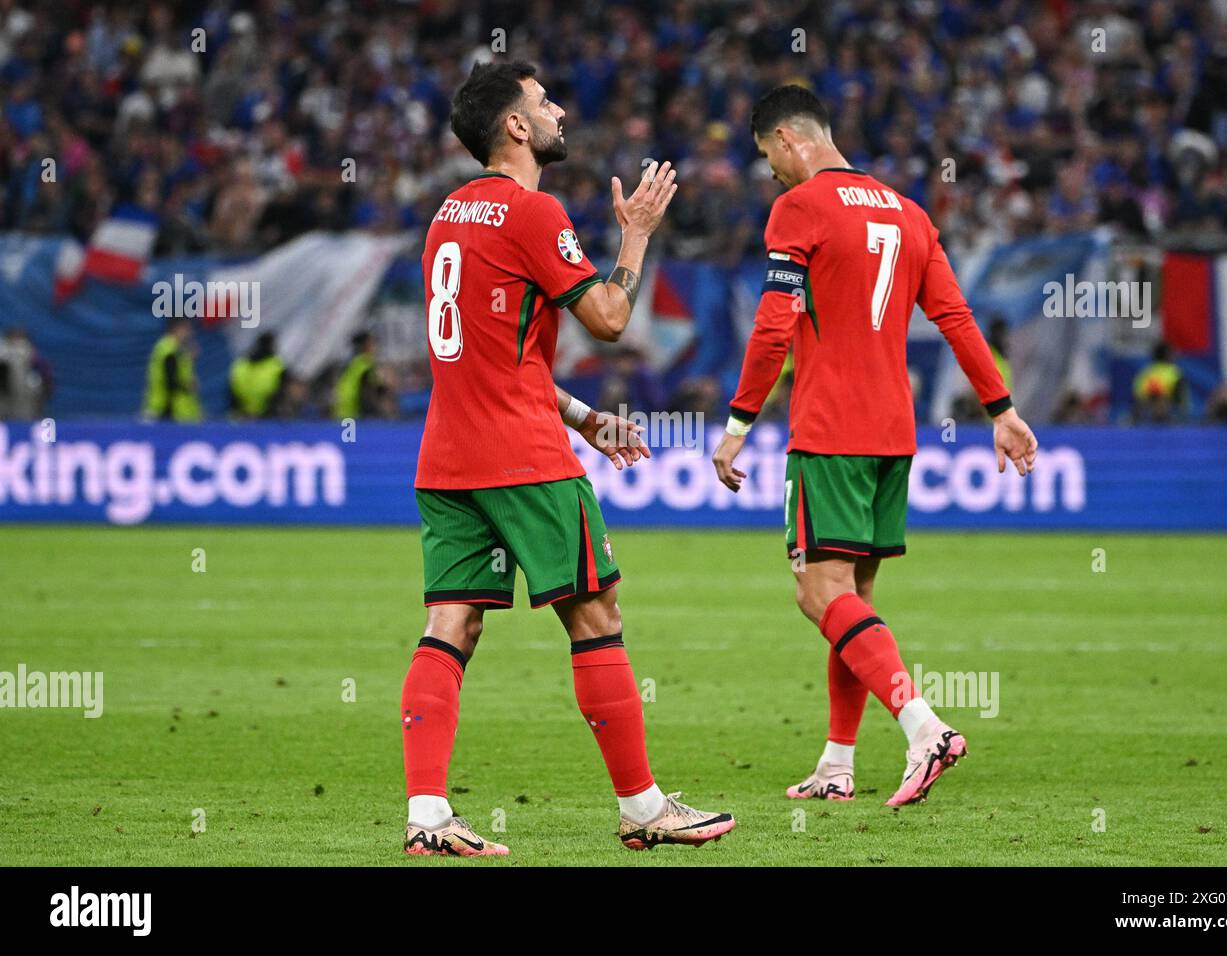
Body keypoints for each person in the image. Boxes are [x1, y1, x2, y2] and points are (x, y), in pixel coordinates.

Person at [400, 60, 735, 858]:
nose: (556, 113)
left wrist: (585, 416)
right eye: (543, 103)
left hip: (448, 459)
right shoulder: (530, 210)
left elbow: (496, 357)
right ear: (514, 127)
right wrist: (638, 235)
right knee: (596, 616)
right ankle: (644, 806)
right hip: (522, 458)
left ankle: (427, 817)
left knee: (451, 626)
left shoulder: (449, 216)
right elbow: (612, 318)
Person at [712, 86, 1038, 808]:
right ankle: (837, 761)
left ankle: (923, 728)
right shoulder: (911, 213)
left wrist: (738, 424)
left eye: (770, 157)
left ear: (791, 141)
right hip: (893, 434)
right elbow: (953, 314)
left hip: (829, 432)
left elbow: (773, 325)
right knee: (852, 599)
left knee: (816, 592)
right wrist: (1002, 409)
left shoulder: (799, 209)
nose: (772, 174)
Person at [142, 317, 202, 422]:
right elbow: (170, 381)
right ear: (178, 328)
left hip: (165, 409)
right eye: (187, 328)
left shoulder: (169, 348)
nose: (189, 332)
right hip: (166, 410)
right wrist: (188, 386)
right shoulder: (169, 351)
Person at [228, 332, 289, 419]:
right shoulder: (277, 366)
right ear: (272, 345)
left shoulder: (240, 364)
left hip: (241, 415)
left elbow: (231, 392)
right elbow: (281, 394)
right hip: (267, 417)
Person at [331, 331, 385, 420]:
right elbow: (372, 390)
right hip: (354, 409)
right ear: (365, 346)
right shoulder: (365, 363)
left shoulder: (350, 362)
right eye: (373, 343)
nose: (376, 347)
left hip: (340, 408)